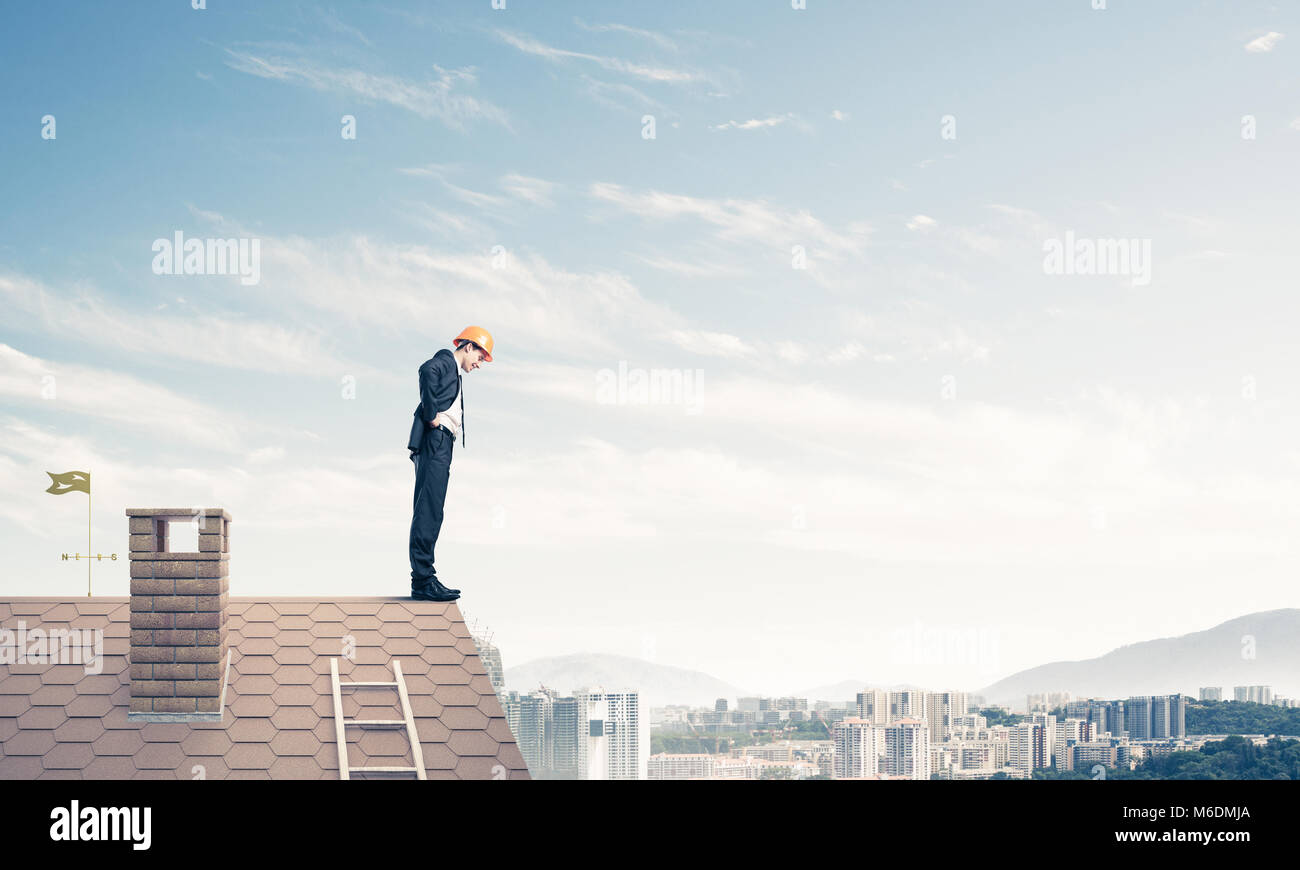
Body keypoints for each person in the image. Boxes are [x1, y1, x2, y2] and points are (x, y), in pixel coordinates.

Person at [406, 326, 494, 601]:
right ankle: (422, 580)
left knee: (433, 509)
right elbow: (425, 370)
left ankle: (425, 577)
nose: (479, 364)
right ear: (468, 347)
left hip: (441, 444)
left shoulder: (454, 372)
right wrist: (432, 414)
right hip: (436, 440)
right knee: (429, 509)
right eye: (480, 357)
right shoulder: (445, 361)